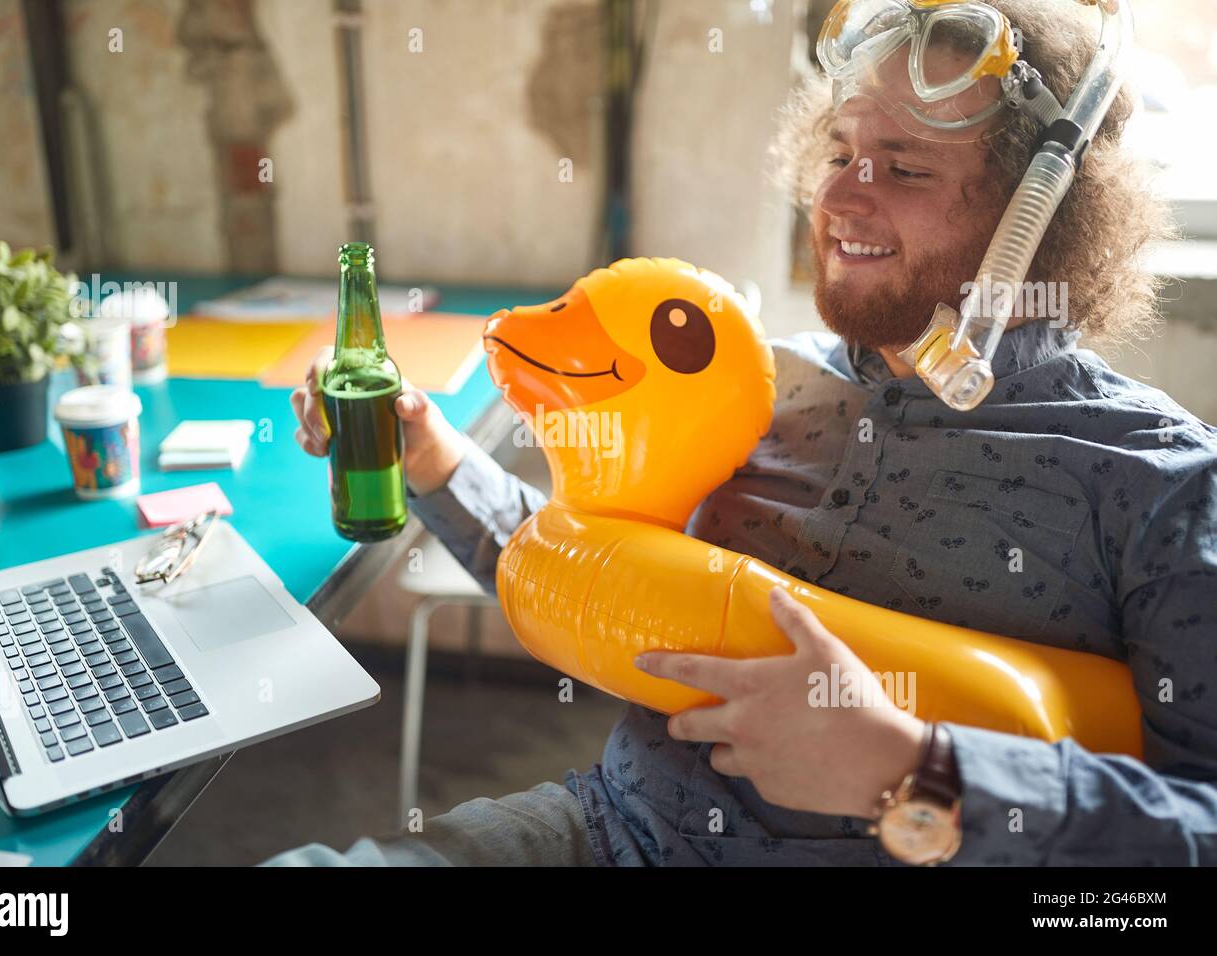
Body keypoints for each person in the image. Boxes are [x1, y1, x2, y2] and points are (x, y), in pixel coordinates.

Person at [266, 0, 1217, 866]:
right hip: (611, 835)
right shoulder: (758, 383)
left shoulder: (1158, 483)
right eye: (842, 153)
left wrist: (921, 776)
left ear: (1038, 215)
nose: (842, 200)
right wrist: (430, 457)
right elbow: (601, 578)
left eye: (908, 167)